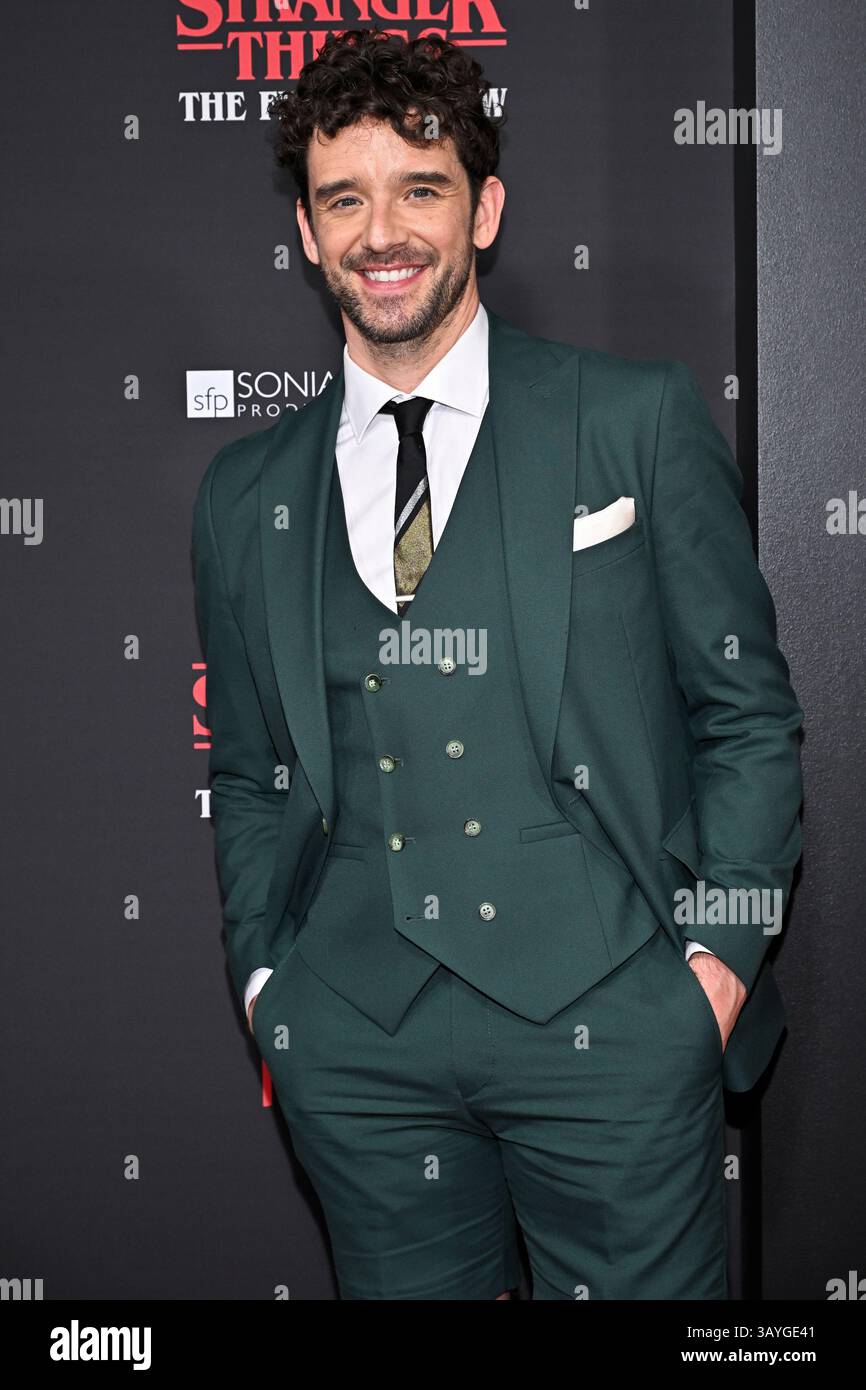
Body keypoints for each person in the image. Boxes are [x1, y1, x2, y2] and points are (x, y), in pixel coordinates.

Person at [191, 28, 803, 1300]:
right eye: (341, 198)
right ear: (305, 233)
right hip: (354, 1047)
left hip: (614, 1026)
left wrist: (711, 975)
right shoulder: (246, 493)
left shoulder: (630, 418)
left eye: (419, 188)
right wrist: (267, 984)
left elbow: (743, 714)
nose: (382, 231)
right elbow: (247, 772)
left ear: (485, 207)